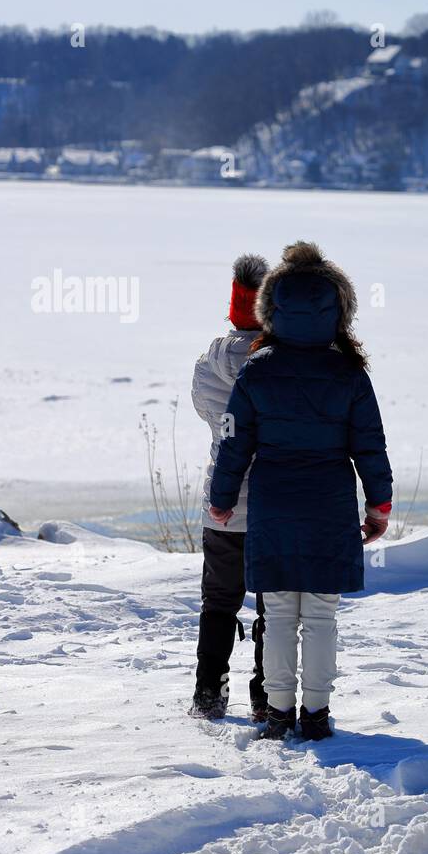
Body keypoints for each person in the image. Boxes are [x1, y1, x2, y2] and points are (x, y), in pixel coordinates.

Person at [209, 241, 393, 742]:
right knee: (319, 616)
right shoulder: (349, 374)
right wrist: (378, 506)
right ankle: (315, 714)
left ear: (271, 309)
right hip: (329, 505)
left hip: (272, 504)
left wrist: (222, 499)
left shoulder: (256, 370)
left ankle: (277, 712)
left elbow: (233, 445)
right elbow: (370, 447)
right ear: (339, 310)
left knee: (280, 612)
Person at [189, 254, 270, 721]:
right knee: (271, 607)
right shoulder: (281, 361)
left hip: (220, 504)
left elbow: (209, 415)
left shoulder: (207, 363)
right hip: (270, 504)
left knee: (218, 603)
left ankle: (209, 694)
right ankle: (264, 694)